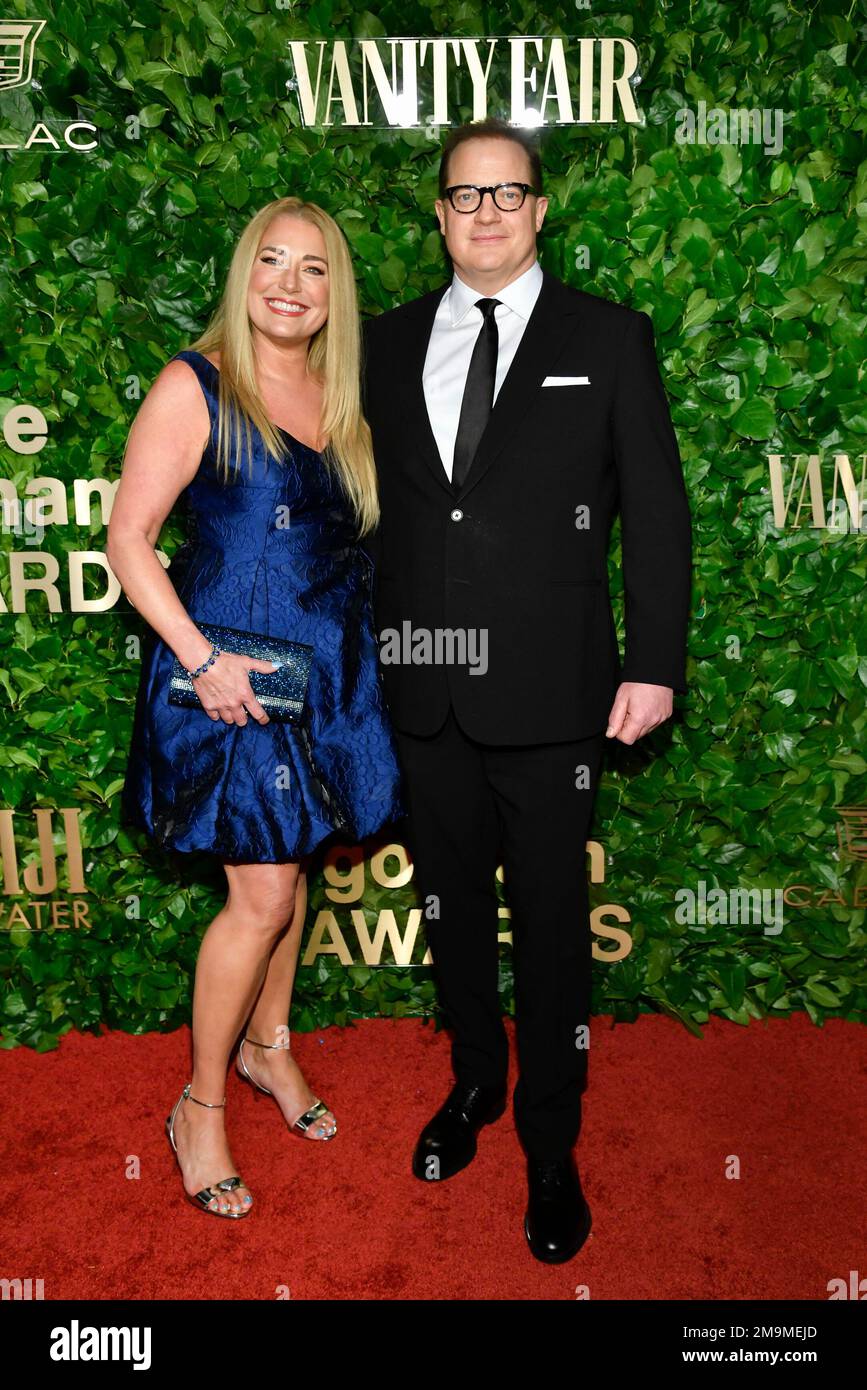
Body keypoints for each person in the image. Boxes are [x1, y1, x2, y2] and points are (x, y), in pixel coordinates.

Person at [362, 118, 692, 1262]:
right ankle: (473, 1089)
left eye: (509, 191)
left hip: (557, 700)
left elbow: (655, 508)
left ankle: (551, 1145)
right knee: (452, 920)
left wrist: (653, 661)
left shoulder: (609, 336)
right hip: (426, 694)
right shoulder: (385, 341)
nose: (488, 211)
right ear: (441, 215)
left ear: (540, 209)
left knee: (552, 933)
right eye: (465, 194)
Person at [109, 196, 404, 1219]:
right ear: (243, 275)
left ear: (335, 292)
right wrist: (201, 661)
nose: (288, 282)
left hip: (322, 682)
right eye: (270, 260)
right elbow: (128, 540)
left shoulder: (340, 396)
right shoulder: (197, 384)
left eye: (313, 267)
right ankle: (199, 1103)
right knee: (264, 895)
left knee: (299, 867)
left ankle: (270, 1049)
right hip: (228, 686)